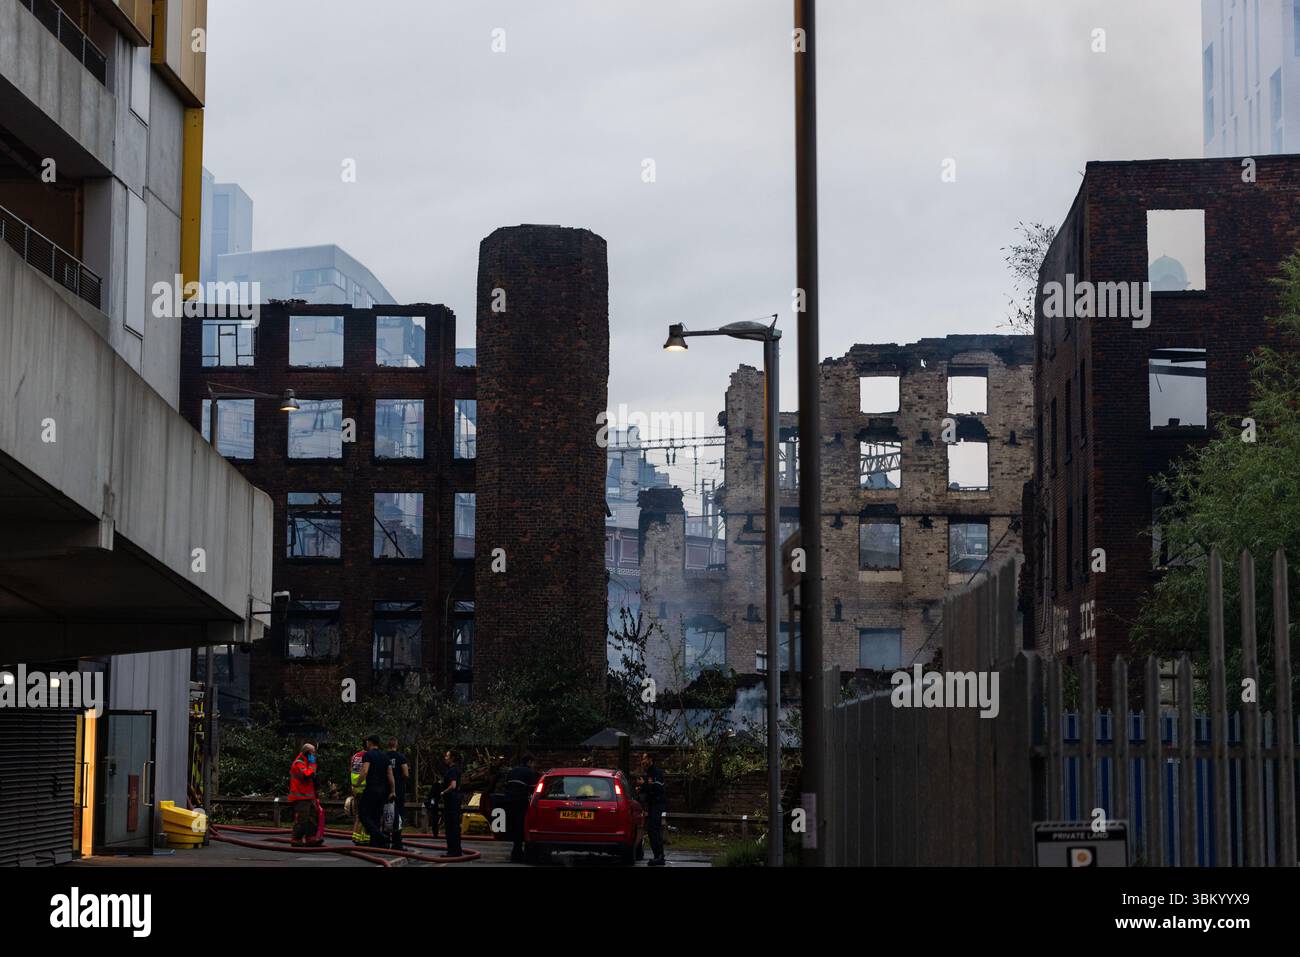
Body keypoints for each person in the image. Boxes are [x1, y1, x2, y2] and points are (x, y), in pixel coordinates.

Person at [357, 734, 396, 848]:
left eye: (367, 742)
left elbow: (364, 771)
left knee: (362, 814)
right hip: (383, 791)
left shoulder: (368, 755)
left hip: (371, 789)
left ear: (370, 743)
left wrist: (357, 784)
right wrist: (392, 791)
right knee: (376, 816)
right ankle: (376, 844)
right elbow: (390, 775)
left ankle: (379, 836)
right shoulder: (385, 756)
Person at [503, 753, 540, 863]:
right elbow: (533, 789)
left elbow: (506, 784)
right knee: (520, 827)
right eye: (533, 763)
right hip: (520, 802)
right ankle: (517, 853)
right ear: (529, 762)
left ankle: (515, 851)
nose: (534, 765)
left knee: (513, 825)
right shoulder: (530, 772)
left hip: (508, 801)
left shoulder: (512, 771)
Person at [288, 742, 323, 847]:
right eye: (312, 753)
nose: (314, 755)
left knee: (312, 817)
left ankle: (310, 838)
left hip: (309, 796)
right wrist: (313, 764)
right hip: (300, 797)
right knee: (302, 819)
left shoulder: (306, 762)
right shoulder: (299, 763)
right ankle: (296, 838)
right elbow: (308, 775)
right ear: (307, 753)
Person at [637, 752, 667, 866]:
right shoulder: (648, 773)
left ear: (650, 759)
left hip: (658, 805)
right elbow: (648, 789)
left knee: (655, 830)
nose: (642, 761)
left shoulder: (656, 773)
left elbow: (658, 788)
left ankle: (660, 857)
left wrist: (644, 785)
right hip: (651, 805)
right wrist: (641, 789)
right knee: (651, 831)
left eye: (644, 759)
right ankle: (657, 856)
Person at [438, 750, 463, 858]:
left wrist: (443, 792)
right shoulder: (455, 770)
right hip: (455, 800)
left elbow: (453, 785)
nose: (445, 757)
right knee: (455, 825)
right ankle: (456, 850)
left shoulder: (452, 770)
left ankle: (452, 851)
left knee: (451, 826)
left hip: (452, 801)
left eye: (447, 756)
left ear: (452, 758)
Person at [386, 737, 410, 849]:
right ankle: (397, 841)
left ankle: (385, 840)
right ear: (396, 745)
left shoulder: (383, 756)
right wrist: (400, 781)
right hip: (398, 790)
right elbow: (406, 773)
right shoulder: (401, 757)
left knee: (385, 813)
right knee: (398, 815)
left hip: (385, 789)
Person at [349, 745, 370, 845]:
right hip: (364, 787)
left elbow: (351, 770)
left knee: (359, 814)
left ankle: (355, 835)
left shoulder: (355, 756)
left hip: (356, 788)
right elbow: (366, 771)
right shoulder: (367, 756)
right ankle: (364, 837)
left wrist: (353, 786)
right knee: (366, 814)